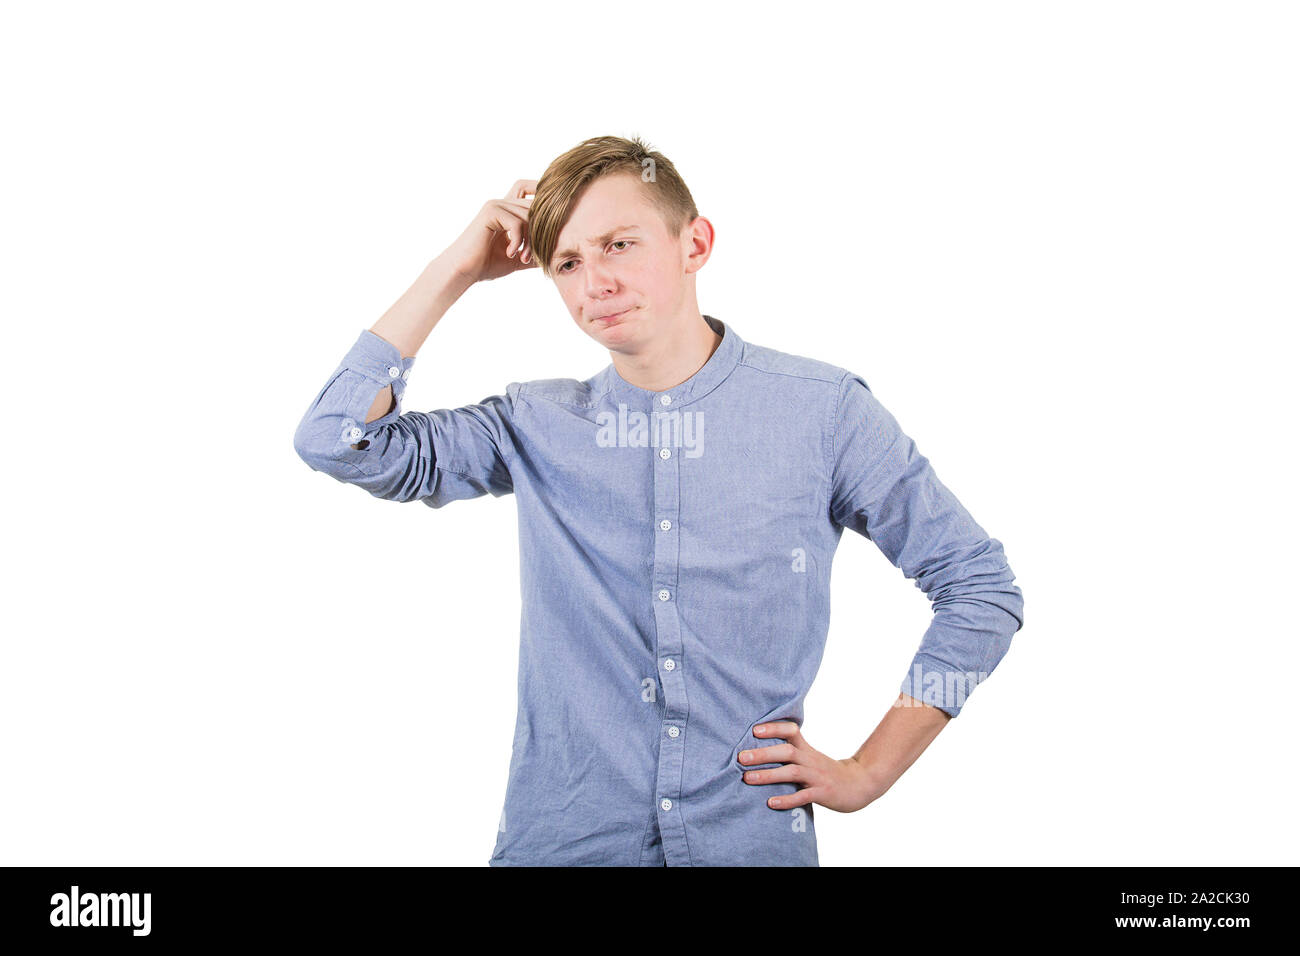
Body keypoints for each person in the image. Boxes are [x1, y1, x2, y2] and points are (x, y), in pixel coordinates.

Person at [293, 135, 1025, 866]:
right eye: (568, 263)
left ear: (694, 243)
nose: (596, 282)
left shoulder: (823, 413)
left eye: (620, 244)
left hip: (750, 845)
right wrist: (454, 269)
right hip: (564, 846)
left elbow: (980, 589)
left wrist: (871, 771)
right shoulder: (534, 424)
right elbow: (337, 439)